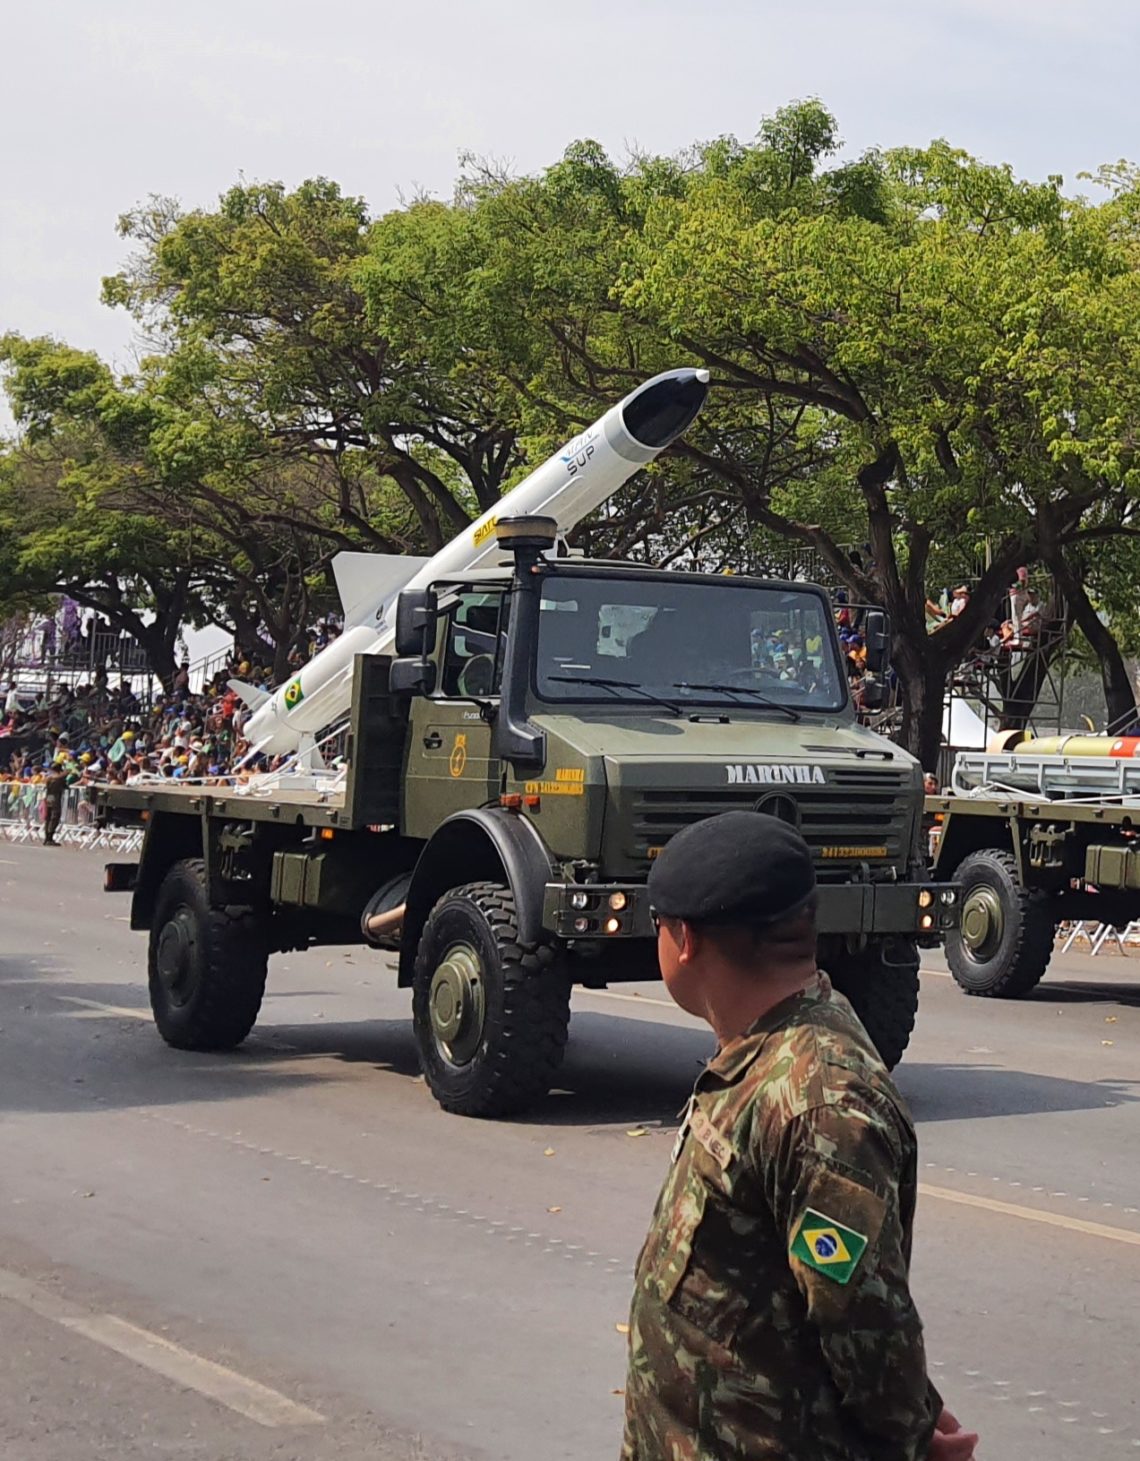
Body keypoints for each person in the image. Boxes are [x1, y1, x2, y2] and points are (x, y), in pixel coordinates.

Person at [621, 811, 976, 1461]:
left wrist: (914, 1429)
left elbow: (860, 1310)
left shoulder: (819, 1101)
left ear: (685, 939)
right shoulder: (767, 1052)